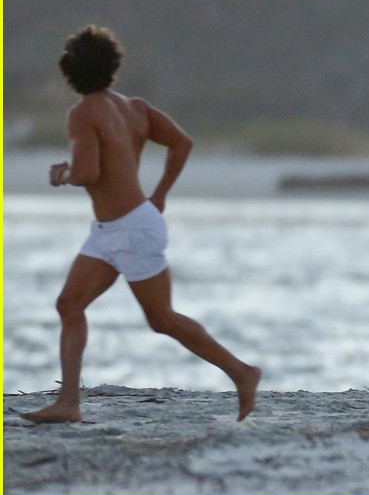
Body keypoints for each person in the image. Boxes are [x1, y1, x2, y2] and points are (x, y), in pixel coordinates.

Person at [20, 26, 260, 423]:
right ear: (111, 67)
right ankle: (68, 403)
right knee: (69, 304)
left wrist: (62, 174)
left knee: (161, 318)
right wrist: (161, 193)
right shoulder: (134, 107)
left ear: (70, 71)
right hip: (114, 230)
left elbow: (87, 172)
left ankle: (242, 372)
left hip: (130, 229)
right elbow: (182, 142)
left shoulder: (83, 113)